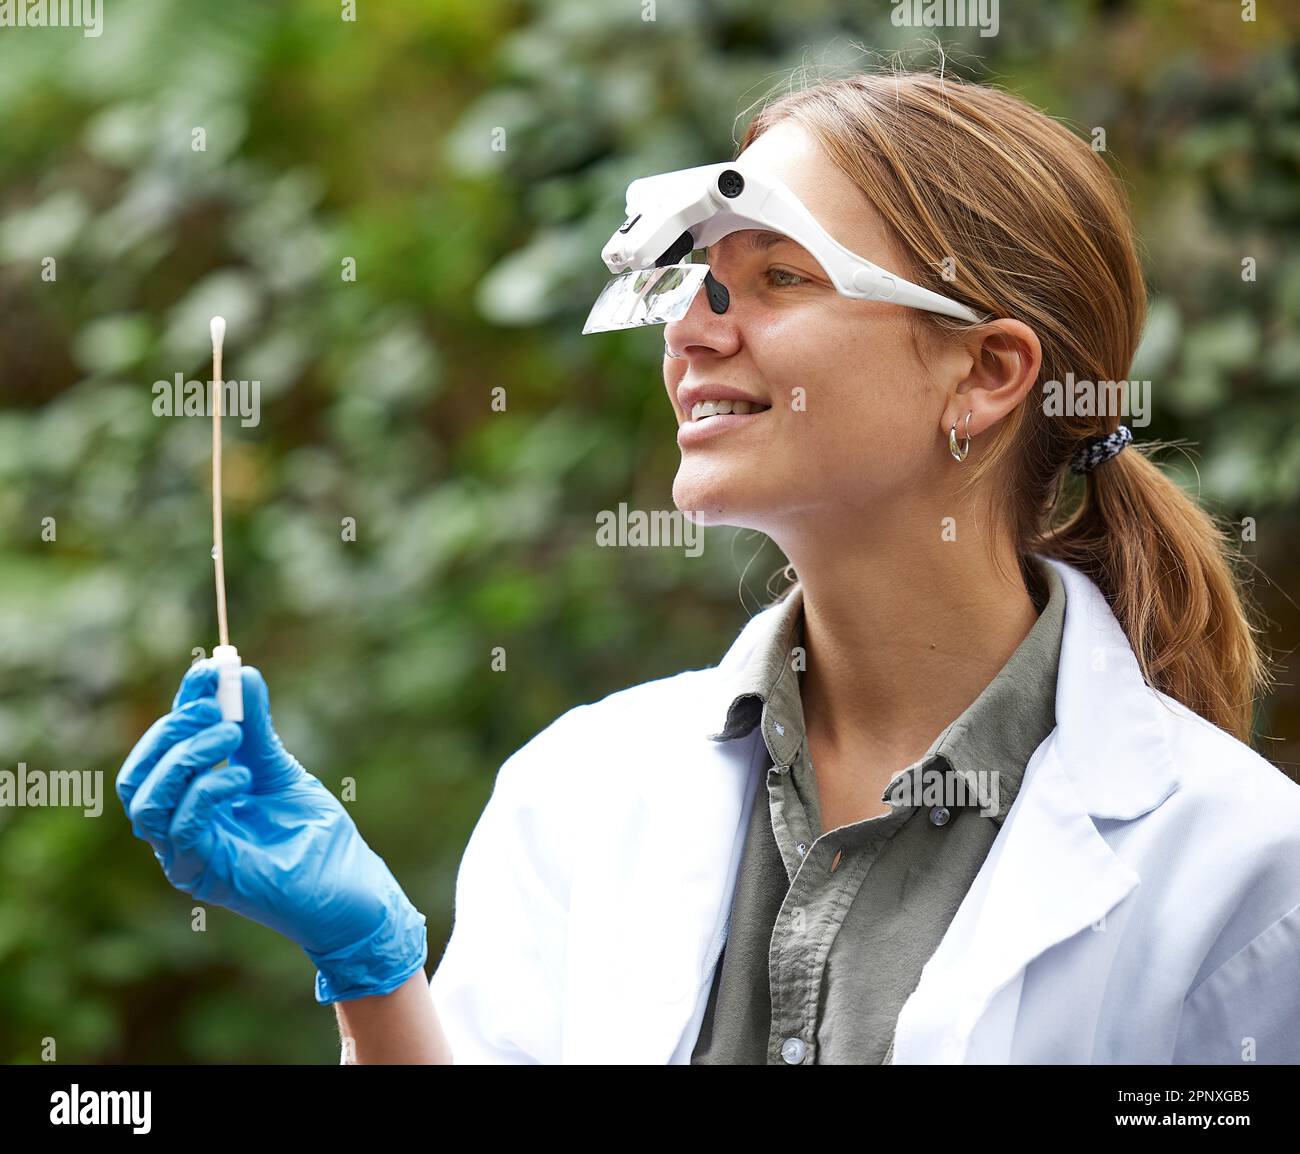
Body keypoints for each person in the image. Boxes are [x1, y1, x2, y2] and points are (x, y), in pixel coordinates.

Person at [116, 70, 1300, 1065]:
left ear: (985, 373)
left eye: (780, 275)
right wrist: (372, 969)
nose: (692, 329)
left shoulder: (1244, 868)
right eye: (698, 278)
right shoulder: (577, 791)